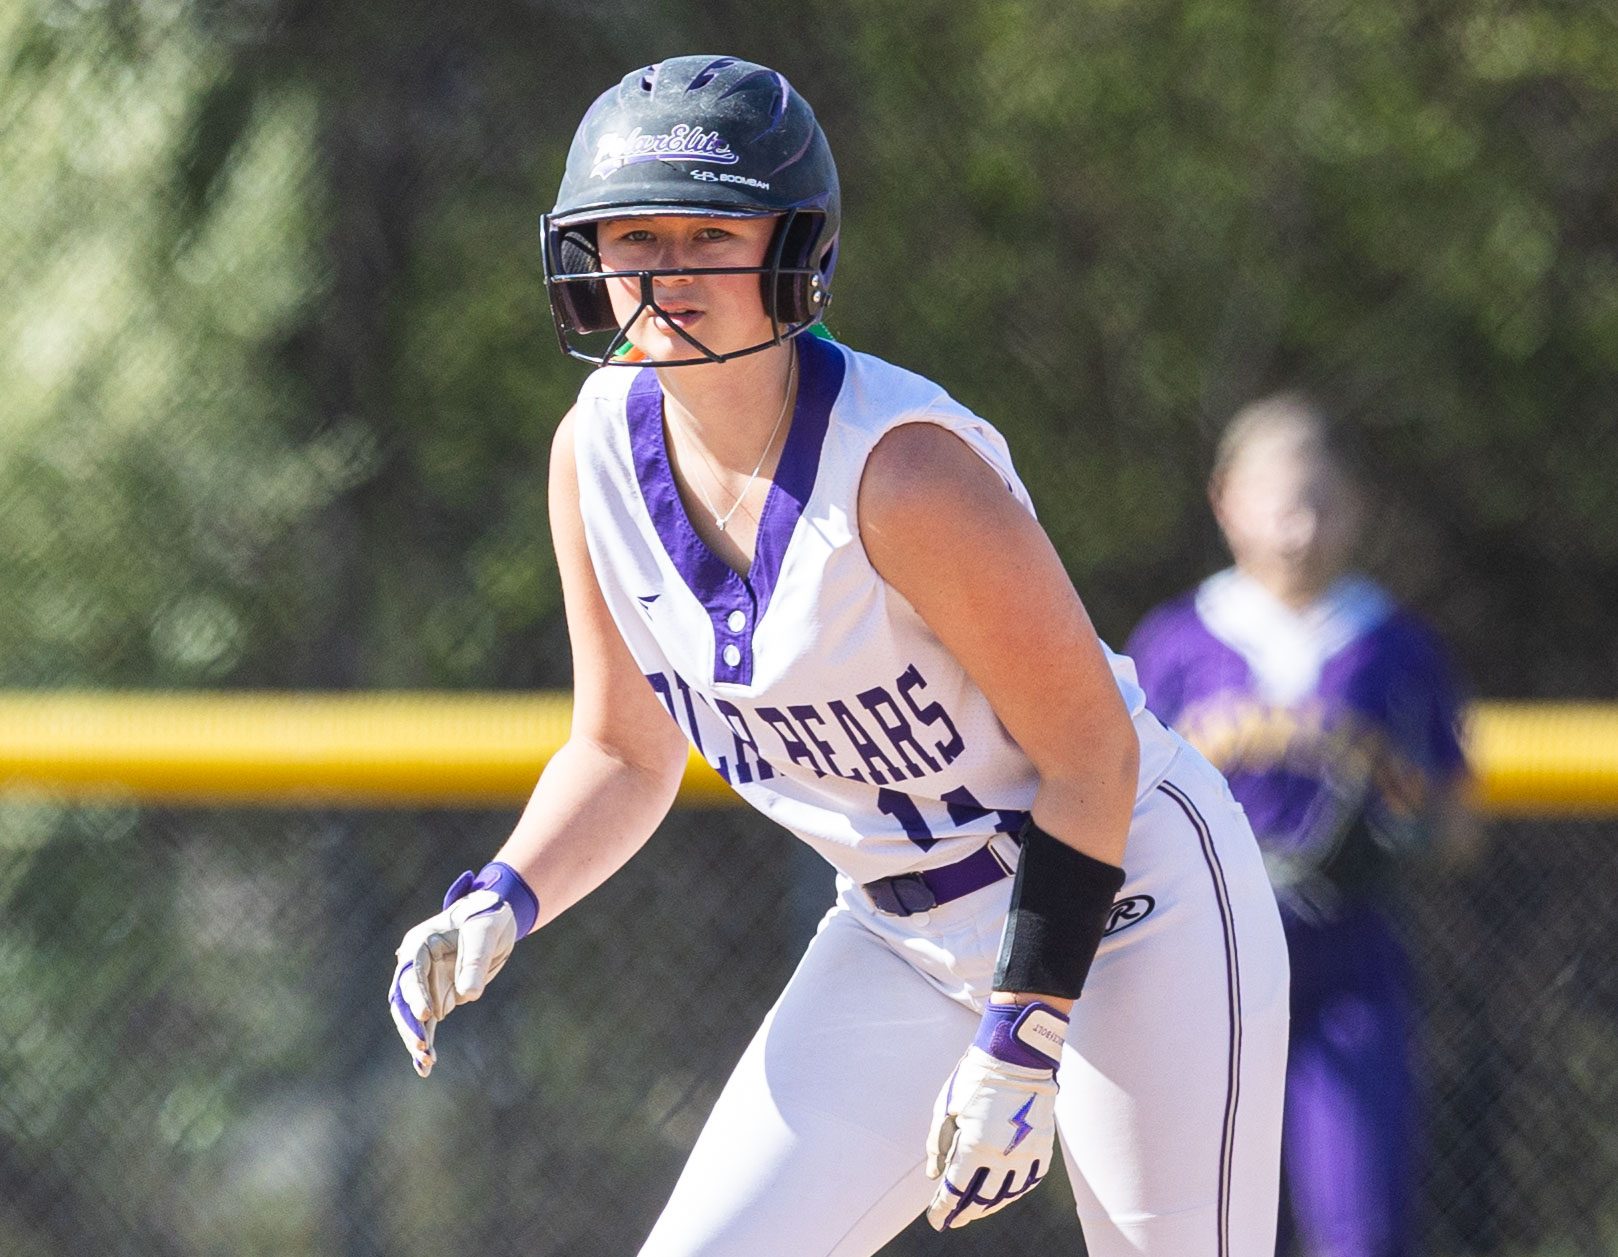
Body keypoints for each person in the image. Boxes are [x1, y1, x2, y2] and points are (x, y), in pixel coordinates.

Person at [387, 55, 1289, 1257]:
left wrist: (1021, 1037)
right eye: (629, 234)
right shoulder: (592, 451)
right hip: (896, 938)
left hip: (1127, 908)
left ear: (789, 247)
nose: (661, 269)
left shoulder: (900, 470)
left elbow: (1091, 756)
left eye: (708, 231)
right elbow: (620, 750)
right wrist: (505, 892)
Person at [1125, 395, 1475, 1257]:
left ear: (1355, 505)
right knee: (1198, 1230)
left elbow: (1458, 825)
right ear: (1225, 501)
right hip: (1202, 968)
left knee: (1359, 1227)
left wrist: (1408, 826)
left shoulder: (1395, 646)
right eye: (1279, 502)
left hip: (1346, 965)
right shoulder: (1175, 644)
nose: (1298, 526)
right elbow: (1114, 811)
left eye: (1319, 502)